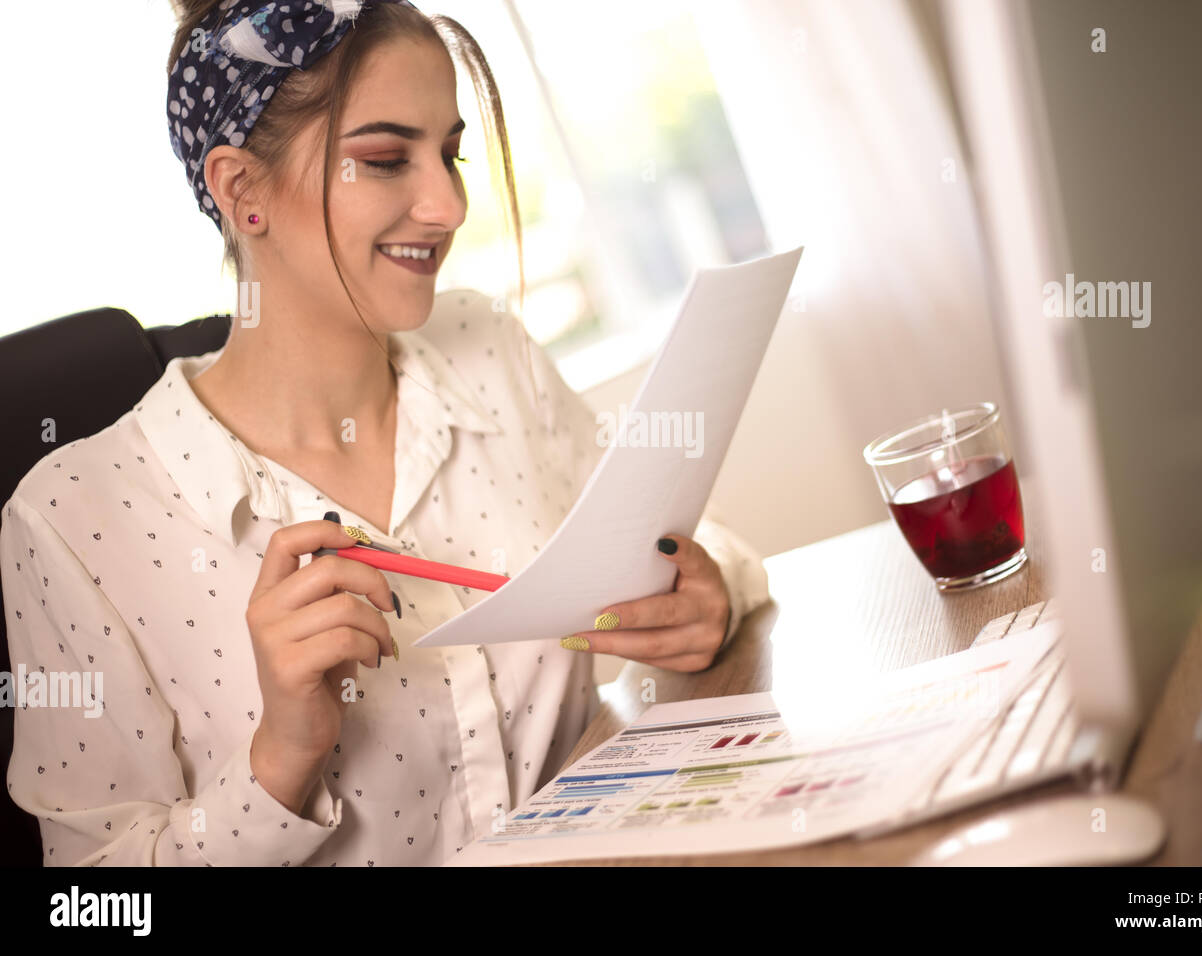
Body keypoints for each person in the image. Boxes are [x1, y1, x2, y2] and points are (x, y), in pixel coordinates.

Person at [0, 0, 769, 866]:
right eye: (385, 158)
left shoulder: (491, 349)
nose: (447, 205)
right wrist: (277, 761)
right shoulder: (71, 521)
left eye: (450, 153)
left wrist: (711, 594)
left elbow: (680, 555)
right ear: (241, 190)